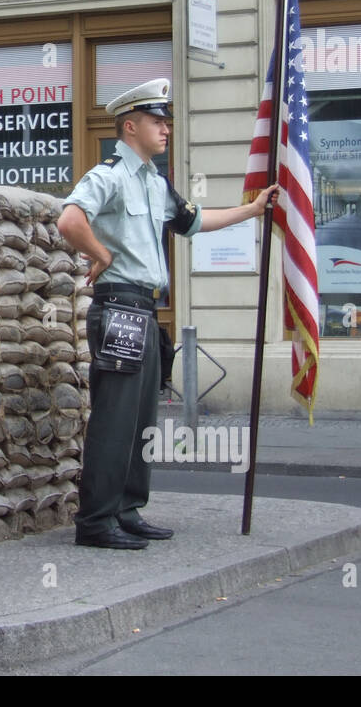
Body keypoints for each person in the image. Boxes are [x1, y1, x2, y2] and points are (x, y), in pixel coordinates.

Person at [57, 78, 277, 549]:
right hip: (118, 305)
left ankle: (127, 508)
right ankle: (96, 520)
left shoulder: (157, 185)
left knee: (141, 419)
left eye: (167, 122)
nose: (166, 130)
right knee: (115, 418)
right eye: (158, 122)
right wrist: (103, 254)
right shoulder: (109, 176)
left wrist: (253, 210)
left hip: (144, 309)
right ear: (130, 126)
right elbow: (69, 220)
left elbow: (196, 222)